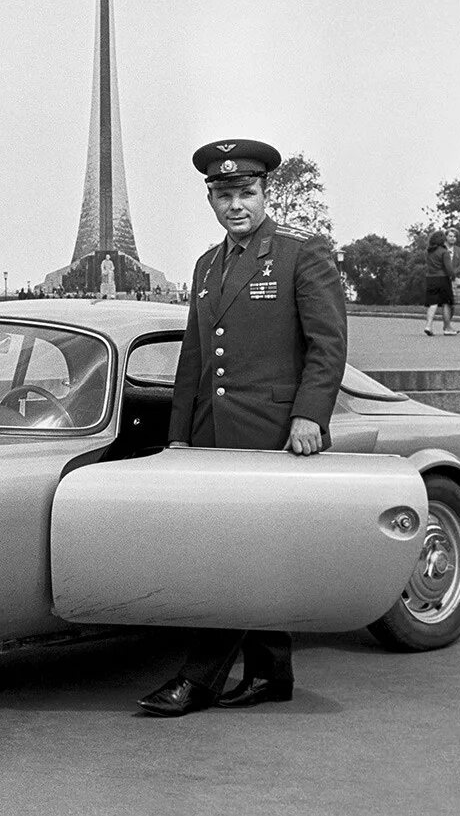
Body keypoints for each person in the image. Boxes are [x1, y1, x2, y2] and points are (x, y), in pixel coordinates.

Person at [138, 138, 347, 718]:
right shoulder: (208, 265)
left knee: (236, 555)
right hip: (212, 432)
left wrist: (310, 414)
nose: (236, 205)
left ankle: (196, 680)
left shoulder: (302, 254)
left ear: (265, 194)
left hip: (273, 430)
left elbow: (328, 346)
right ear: (211, 199)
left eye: (246, 193)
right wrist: (180, 433)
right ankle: (269, 672)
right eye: (225, 195)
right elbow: (195, 358)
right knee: (243, 553)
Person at [423, 231, 459, 336]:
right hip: (442, 279)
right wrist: (453, 276)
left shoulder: (429, 252)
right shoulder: (444, 252)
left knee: (432, 303)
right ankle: (447, 328)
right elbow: (449, 268)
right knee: (446, 303)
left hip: (430, 278)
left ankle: (428, 326)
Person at [446, 229, 460, 308]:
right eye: (450, 236)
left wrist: (453, 273)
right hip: (442, 277)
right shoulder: (441, 249)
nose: (452, 238)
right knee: (444, 302)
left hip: (455, 277)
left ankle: (450, 318)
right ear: (446, 237)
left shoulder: (459, 250)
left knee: (454, 303)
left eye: (454, 236)